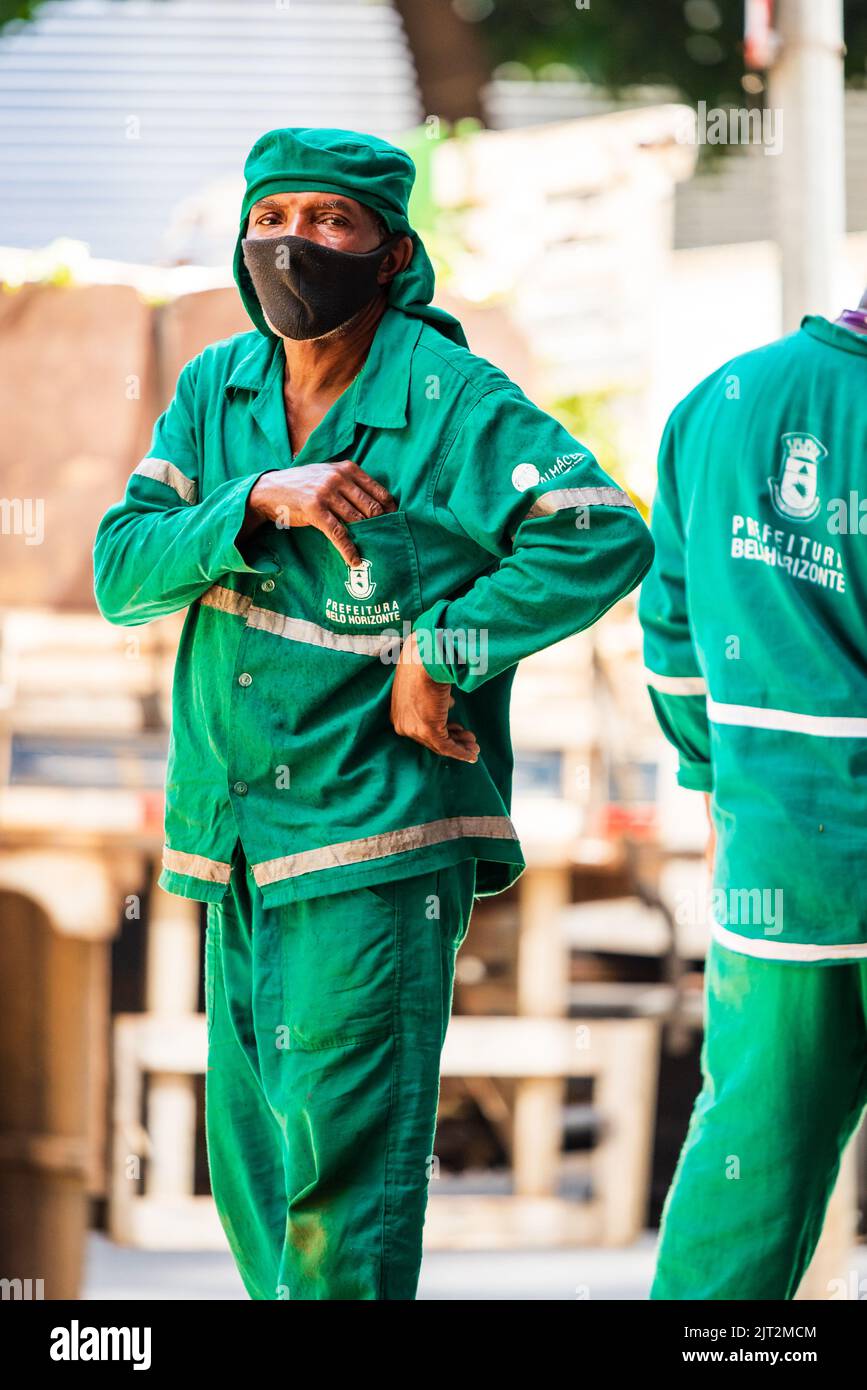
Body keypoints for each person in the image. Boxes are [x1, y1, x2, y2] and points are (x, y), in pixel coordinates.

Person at [93, 126, 654, 1300]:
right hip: (236, 838)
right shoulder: (218, 389)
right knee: (253, 1180)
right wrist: (259, 499)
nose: (293, 244)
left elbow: (601, 528)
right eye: (273, 217)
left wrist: (443, 648)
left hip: (373, 834)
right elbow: (122, 569)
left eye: (330, 221)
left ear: (393, 256)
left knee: (344, 1191)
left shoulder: (446, 395)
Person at [639, 294, 867, 1300]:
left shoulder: (717, 405)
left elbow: (674, 646)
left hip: (777, 861)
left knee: (749, 1166)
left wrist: (713, 786)